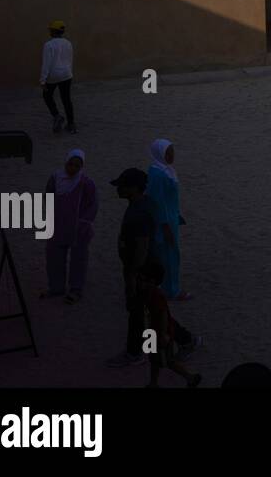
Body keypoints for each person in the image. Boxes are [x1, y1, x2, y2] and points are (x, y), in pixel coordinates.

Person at [107, 168, 156, 368]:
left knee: (137, 310)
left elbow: (142, 246)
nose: (118, 189)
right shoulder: (141, 205)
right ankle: (185, 340)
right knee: (150, 308)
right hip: (140, 268)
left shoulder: (139, 212)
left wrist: (133, 274)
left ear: (134, 188)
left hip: (139, 269)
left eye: (123, 185)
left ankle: (134, 352)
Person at [42, 148, 98, 303]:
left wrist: (85, 222)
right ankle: (56, 287)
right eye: (70, 164)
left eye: (76, 166)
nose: (72, 168)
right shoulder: (55, 178)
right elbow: (48, 196)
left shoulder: (86, 183)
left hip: (78, 228)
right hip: (57, 225)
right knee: (54, 256)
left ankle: (76, 289)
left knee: (78, 259)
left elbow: (92, 205)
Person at [138, 259, 202, 388]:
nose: (140, 282)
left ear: (152, 281)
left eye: (143, 279)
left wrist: (163, 335)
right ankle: (153, 383)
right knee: (154, 359)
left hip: (160, 333)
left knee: (168, 360)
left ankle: (190, 377)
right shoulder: (148, 293)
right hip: (151, 332)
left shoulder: (156, 296)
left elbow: (163, 316)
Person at [146, 138, 189, 300]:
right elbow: (158, 202)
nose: (171, 155)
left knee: (166, 253)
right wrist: (165, 225)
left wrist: (176, 215)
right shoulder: (159, 174)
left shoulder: (164, 170)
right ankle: (171, 290)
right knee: (169, 254)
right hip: (164, 221)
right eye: (168, 152)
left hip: (170, 218)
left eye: (172, 152)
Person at [40, 19, 75, 133]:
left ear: (52, 31)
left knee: (47, 95)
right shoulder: (68, 43)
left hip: (53, 75)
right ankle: (71, 124)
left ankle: (56, 115)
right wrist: (69, 72)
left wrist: (43, 80)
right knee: (66, 99)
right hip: (66, 74)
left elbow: (46, 63)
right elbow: (70, 59)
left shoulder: (49, 45)